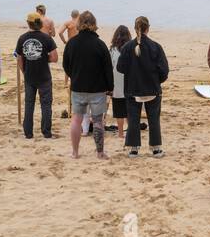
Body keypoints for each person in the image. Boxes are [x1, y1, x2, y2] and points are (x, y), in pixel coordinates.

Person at [62, 10, 113, 159]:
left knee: (76, 119)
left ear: (79, 24)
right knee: (97, 121)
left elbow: (66, 65)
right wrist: (110, 87)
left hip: (78, 87)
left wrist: (74, 76)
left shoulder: (71, 43)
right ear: (94, 24)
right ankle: (100, 152)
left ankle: (75, 152)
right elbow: (108, 69)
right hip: (97, 89)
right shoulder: (100, 45)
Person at [116, 15, 169, 157]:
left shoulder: (127, 47)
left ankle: (133, 149)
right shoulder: (155, 47)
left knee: (133, 119)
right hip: (152, 89)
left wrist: (131, 73)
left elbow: (120, 67)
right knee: (154, 120)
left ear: (135, 29)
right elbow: (164, 70)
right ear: (148, 28)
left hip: (133, 89)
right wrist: (156, 81)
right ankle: (156, 149)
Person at [14, 12, 58, 139]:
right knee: (46, 105)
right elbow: (54, 58)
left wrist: (24, 71)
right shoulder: (47, 38)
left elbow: (19, 59)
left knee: (29, 104)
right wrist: (44, 58)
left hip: (29, 76)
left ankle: (28, 133)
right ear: (40, 23)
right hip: (44, 75)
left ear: (28, 23)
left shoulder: (22, 38)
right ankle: (46, 132)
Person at [110, 24, 132, 138]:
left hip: (116, 84)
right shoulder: (131, 49)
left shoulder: (113, 50)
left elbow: (109, 67)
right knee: (129, 110)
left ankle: (120, 133)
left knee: (119, 110)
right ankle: (131, 131)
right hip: (129, 83)